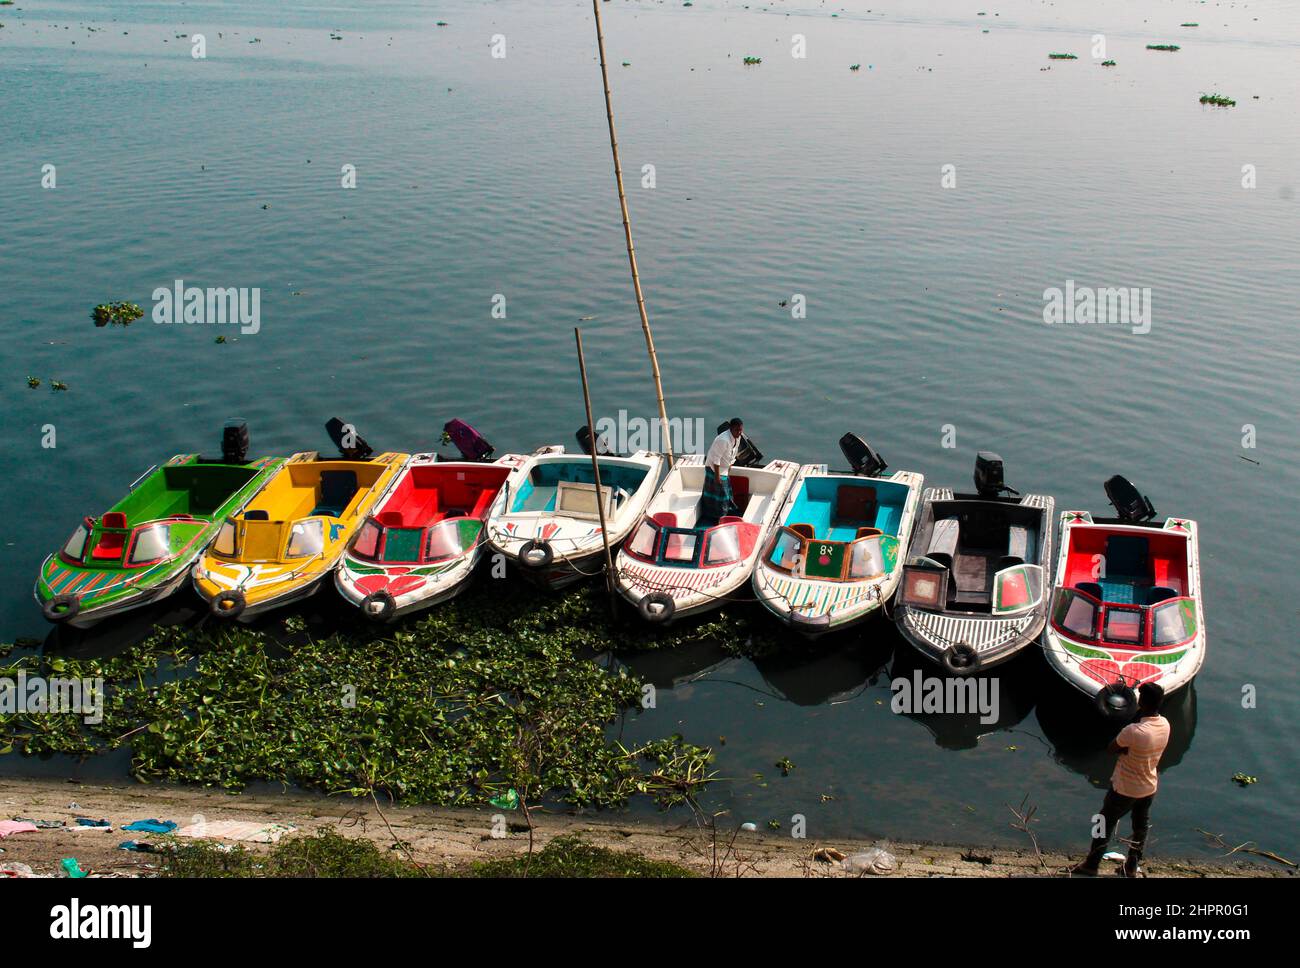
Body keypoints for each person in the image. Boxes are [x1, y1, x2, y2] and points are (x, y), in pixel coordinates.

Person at [1071, 682, 1171, 877]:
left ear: (1142, 701)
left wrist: (1126, 748)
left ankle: (1091, 864)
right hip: (1149, 786)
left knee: (1103, 823)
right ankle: (1131, 867)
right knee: (1140, 827)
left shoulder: (1134, 730)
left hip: (1125, 788)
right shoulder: (1165, 724)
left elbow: (1111, 748)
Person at [700, 418, 744, 521]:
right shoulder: (723, 440)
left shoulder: (738, 437)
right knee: (720, 493)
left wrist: (729, 467)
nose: (739, 432)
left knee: (726, 493)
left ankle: (727, 511)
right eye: (736, 430)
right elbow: (716, 458)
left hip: (724, 468)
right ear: (731, 429)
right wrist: (717, 476)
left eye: (741, 430)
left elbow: (733, 453)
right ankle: (717, 516)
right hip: (714, 468)